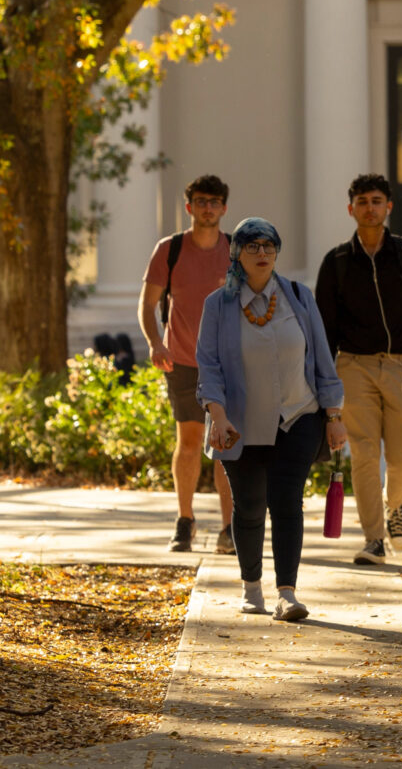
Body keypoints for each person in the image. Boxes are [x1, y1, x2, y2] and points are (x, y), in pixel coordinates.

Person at [197, 217, 346, 623]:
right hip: (239, 425)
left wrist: (333, 414)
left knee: (286, 504)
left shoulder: (299, 296)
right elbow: (208, 368)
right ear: (237, 254)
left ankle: (287, 593)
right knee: (247, 507)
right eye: (252, 247)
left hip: (298, 416)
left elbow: (321, 357)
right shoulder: (218, 305)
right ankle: (251, 587)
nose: (261, 254)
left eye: (268, 246)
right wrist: (218, 414)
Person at [315, 174, 402, 565]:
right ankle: (373, 539)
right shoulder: (335, 262)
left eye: (376, 200)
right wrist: (325, 383)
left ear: (389, 207)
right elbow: (324, 328)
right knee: (365, 455)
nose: (369, 207)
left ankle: (395, 504)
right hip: (353, 367)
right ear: (351, 209)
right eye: (362, 202)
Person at [138, 174, 237, 553]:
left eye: (214, 201)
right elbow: (147, 305)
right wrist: (153, 343)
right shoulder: (170, 249)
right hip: (181, 359)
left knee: (225, 444)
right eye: (201, 201)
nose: (207, 207)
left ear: (224, 208)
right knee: (190, 441)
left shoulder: (235, 250)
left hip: (227, 364)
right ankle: (185, 520)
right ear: (189, 206)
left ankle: (229, 529)